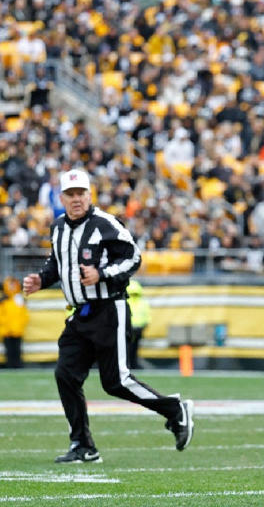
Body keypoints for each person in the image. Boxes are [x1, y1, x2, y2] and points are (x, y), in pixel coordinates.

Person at [22, 169, 195, 464]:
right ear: (61, 198)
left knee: (116, 381)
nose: (76, 199)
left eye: (81, 193)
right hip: (80, 314)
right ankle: (83, 445)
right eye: (70, 195)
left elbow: (133, 257)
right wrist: (41, 279)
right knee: (65, 374)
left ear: (90, 194)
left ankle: (175, 409)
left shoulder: (105, 223)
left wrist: (101, 274)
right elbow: (57, 263)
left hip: (108, 310)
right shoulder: (58, 228)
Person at [1, 276, 29, 368]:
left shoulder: (19, 299)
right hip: (7, 331)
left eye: (13, 285)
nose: (12, 287)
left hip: (17, 330)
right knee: (9, 351)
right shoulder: (3, 300)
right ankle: (10, 366)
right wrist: (5, 327)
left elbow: (24, 315)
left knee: (17, 350)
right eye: (10, 285)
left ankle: (17, 366)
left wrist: (20, 326)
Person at [126, 279, 151, 370]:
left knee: (130, 349)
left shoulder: (127, 302)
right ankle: (131, 365)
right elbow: (147, 317)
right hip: (136, 329)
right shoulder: (142, 302)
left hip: (130, 329)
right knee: (131, 349)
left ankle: (130, 364)